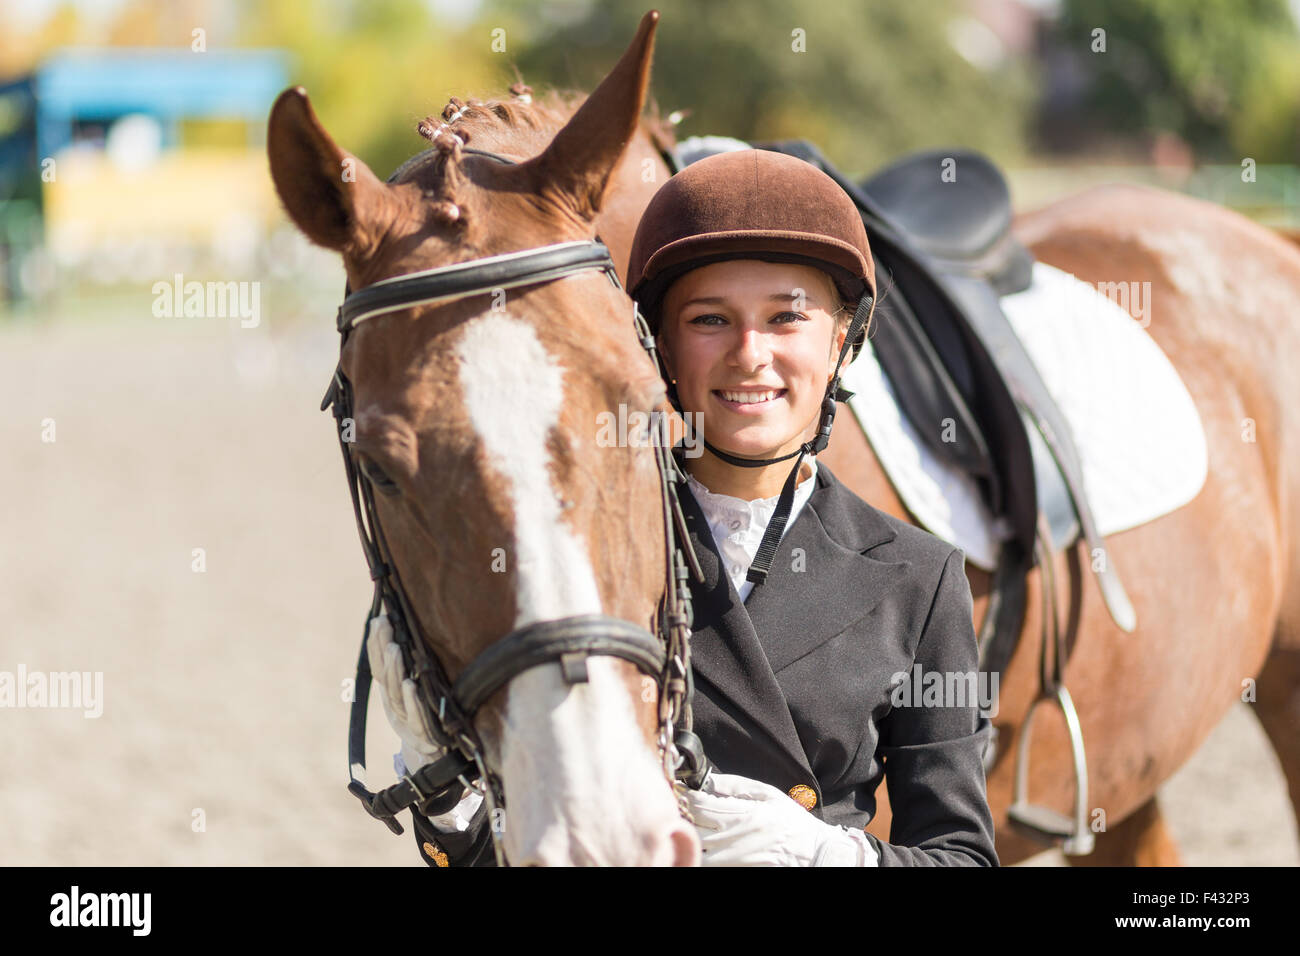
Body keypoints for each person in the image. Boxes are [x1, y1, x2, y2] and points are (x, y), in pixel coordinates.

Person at [377, 147, 998, 867]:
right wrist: (444, 789)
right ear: (661, 348)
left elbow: (961, 857)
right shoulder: (577, 555)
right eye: (710, 320)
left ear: (841, 342)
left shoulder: (920, 581)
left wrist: (826, 856)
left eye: (786, 318)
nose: (750, 353)